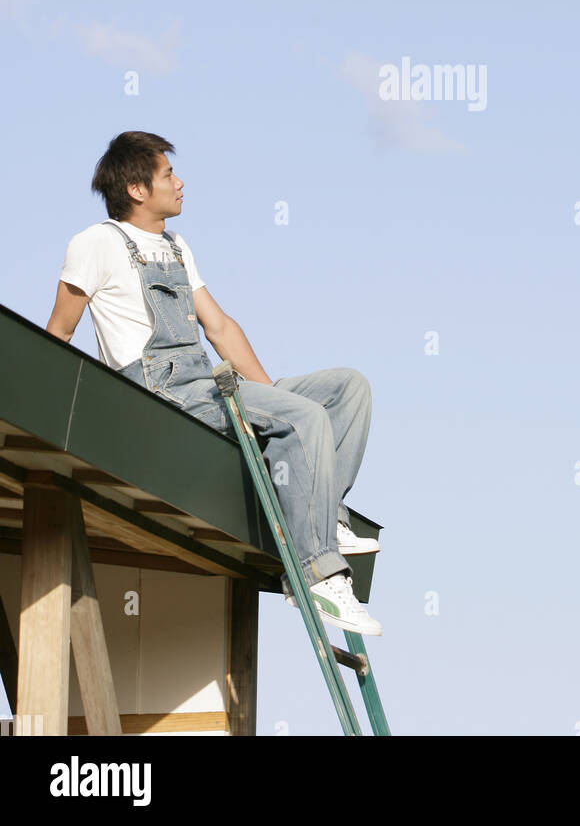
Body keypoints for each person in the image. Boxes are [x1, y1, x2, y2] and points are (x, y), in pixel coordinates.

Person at [45, 130, 382, 636]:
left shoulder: (177, 247)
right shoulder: (95, 243)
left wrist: (278, 400)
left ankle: (325, 513)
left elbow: (219, 327)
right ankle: (315, 573)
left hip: (208, 383)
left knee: (347, 389)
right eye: (167, 175)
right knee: (303, 419)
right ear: (137, 190)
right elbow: (60, 331)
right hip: (161, 393)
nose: (180, 183)